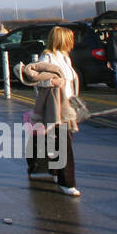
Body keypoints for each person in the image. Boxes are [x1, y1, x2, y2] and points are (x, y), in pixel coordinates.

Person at [38, 26, 82, 197]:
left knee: (61, 141)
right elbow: (38, 80)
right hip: (55, 106)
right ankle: (67, 182)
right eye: (70, 39)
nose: (73, 42)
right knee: (65, 143)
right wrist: (52, 82)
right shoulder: (47, 57)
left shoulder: (65, 57)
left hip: (67, 104)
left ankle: (57, 173)